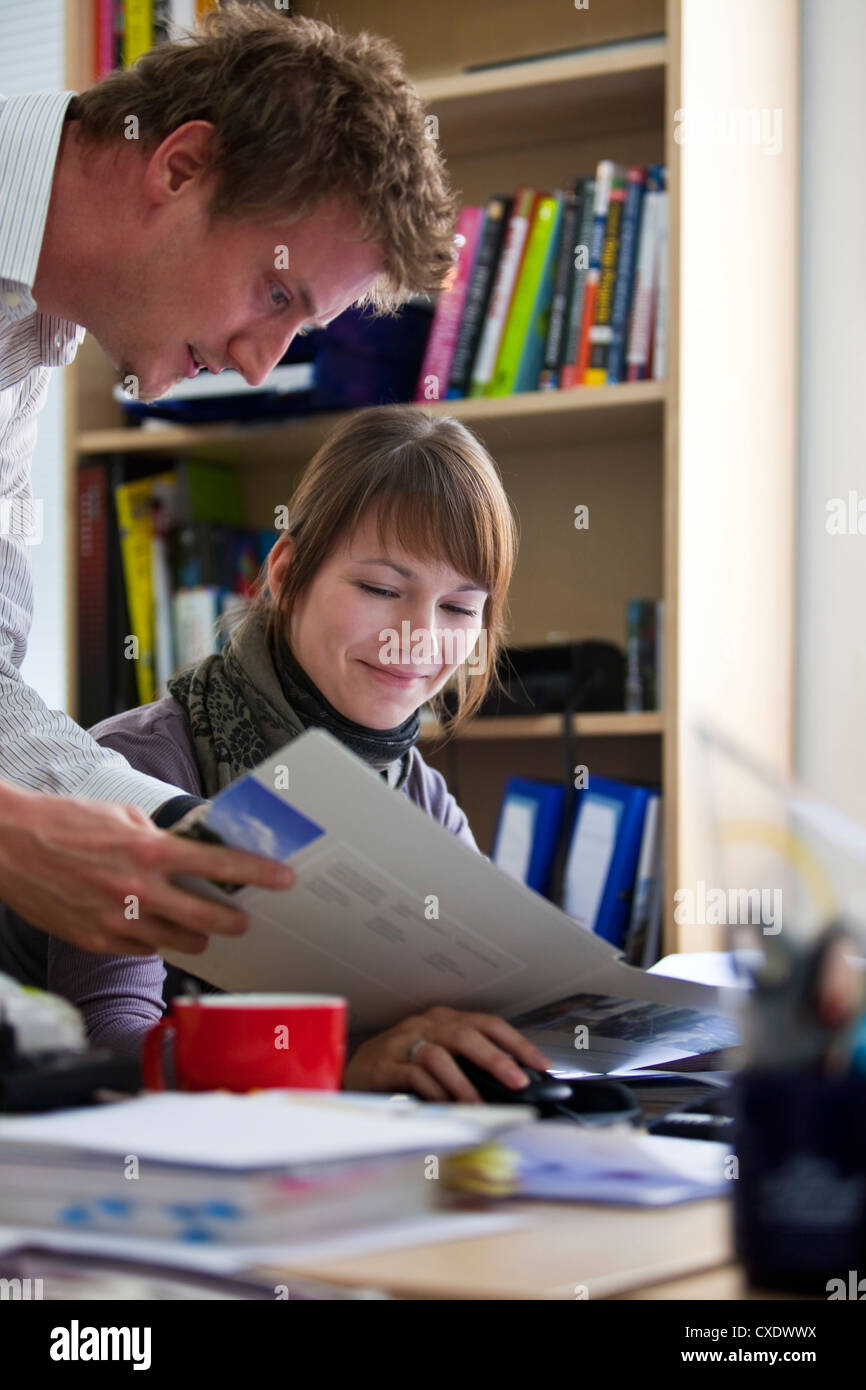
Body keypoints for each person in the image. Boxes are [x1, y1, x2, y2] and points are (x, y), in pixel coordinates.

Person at [0, 6, 456, 956]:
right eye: (276, 295)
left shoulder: (29, 335)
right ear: (179, 167)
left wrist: (227, 849)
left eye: (301, 327)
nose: (260, 365)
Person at [0, 406, 551, 1101]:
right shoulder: (134, 769)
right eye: (382, 589)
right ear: (287, 573)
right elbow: (108, 1043)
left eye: (459, 609)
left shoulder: (424, 801)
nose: (419, 636)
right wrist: (342, 1071)